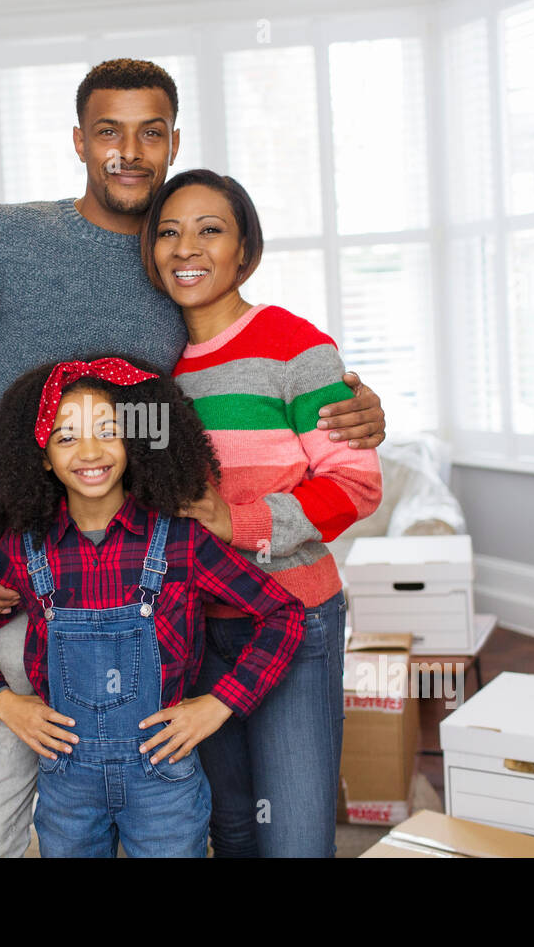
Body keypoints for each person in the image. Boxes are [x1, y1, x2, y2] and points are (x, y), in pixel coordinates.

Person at [0, 58, 386, 857]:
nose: (128, 152)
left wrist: (354, 403)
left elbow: (257, 385)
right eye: (108, 131)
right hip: (18, 562)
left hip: (153, 584)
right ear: (78, 141)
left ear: (171, 143)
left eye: (150, 132)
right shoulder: (4, 237)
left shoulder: (176, 282)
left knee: (180, 804)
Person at [0, 356, 305, 857]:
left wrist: (218, 705)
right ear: (41, 457)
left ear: (133, 442)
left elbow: (282, 614)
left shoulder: (180, 540)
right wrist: (6, 704)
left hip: (163, 786)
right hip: (67, 785)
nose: (89, 451)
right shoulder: (26, 550)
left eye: (106, 431)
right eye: (66, 437)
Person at [140, 169, 384, 857]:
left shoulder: (295, 345)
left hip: (294, 620)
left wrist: (237, 521)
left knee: (296, 839)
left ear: (245, 251)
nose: (186, 248)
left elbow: (356, 483)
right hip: (191, 630)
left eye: (209, 230)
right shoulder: (149, 371)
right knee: (233, 829)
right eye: (168, 232)